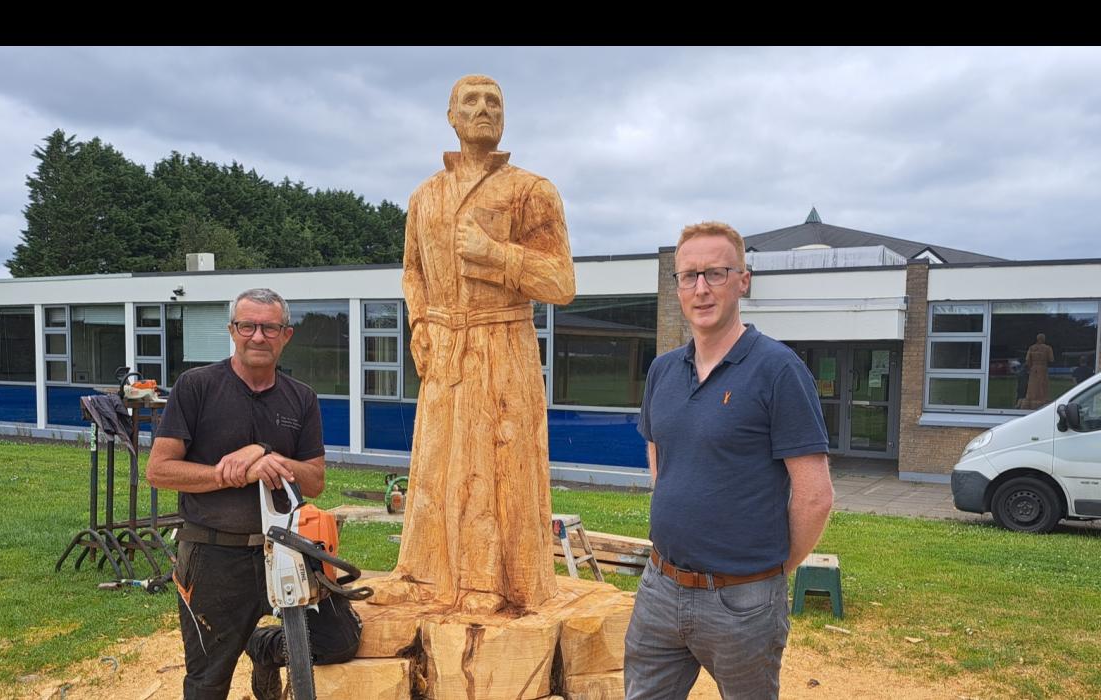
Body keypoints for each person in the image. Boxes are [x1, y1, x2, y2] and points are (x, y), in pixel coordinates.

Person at [370, 74, 576, 615]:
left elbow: (561, 283)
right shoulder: (425, 197)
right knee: (435, 462)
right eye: (472, 101)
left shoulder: (530, 190)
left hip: (502, 341)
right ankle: (423, 576)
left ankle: (490, 583)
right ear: (452, 117)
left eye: (494, 101)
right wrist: (417, 323)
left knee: (496, 464)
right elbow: (412, 271)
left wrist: (495, 253)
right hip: (443, 346)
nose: (483, 109)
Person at [624, 222, 834, 699]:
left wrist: (768, 575)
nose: (700, 289)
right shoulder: (662, 371)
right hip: (660, 588)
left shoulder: (779, 370)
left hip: (743, 602)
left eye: (715, 274)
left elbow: (815, 496)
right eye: (688, 276)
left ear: (743, 280)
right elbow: (661, 457)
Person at [147, 288, 359, 700]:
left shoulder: (301, 398)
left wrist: (265, 453)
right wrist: (238, 473)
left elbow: (314, 480)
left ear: (286, 335)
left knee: (339, 640)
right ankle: (245, 649)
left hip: (288, 550)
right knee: (208, 682)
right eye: (248, 326)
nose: (258, 336)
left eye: (269, 327)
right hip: (213, 556)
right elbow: (159, 470)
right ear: (233, 330)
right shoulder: (196, 386)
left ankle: (263, 648)